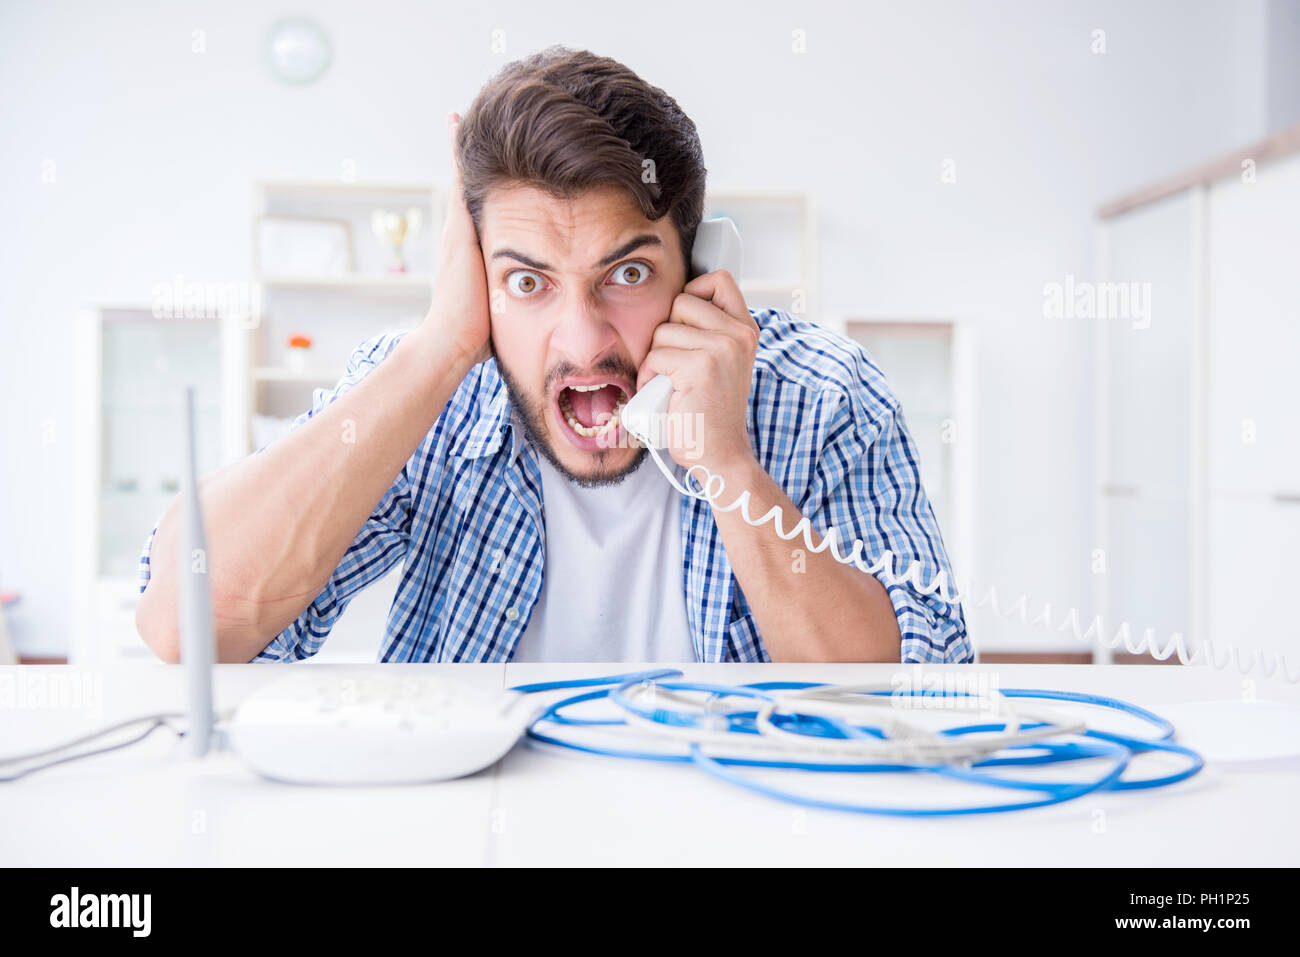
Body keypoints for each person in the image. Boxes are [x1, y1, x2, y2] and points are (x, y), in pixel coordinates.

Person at [135, 46, 970, 665]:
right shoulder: (439, 384)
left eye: (629, 272)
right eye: (528, 282)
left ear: (705, 266)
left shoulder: (821, 391)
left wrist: (727, 466)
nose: (582, 339)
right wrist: (440, 348)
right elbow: (184, 624)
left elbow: (914, 695)